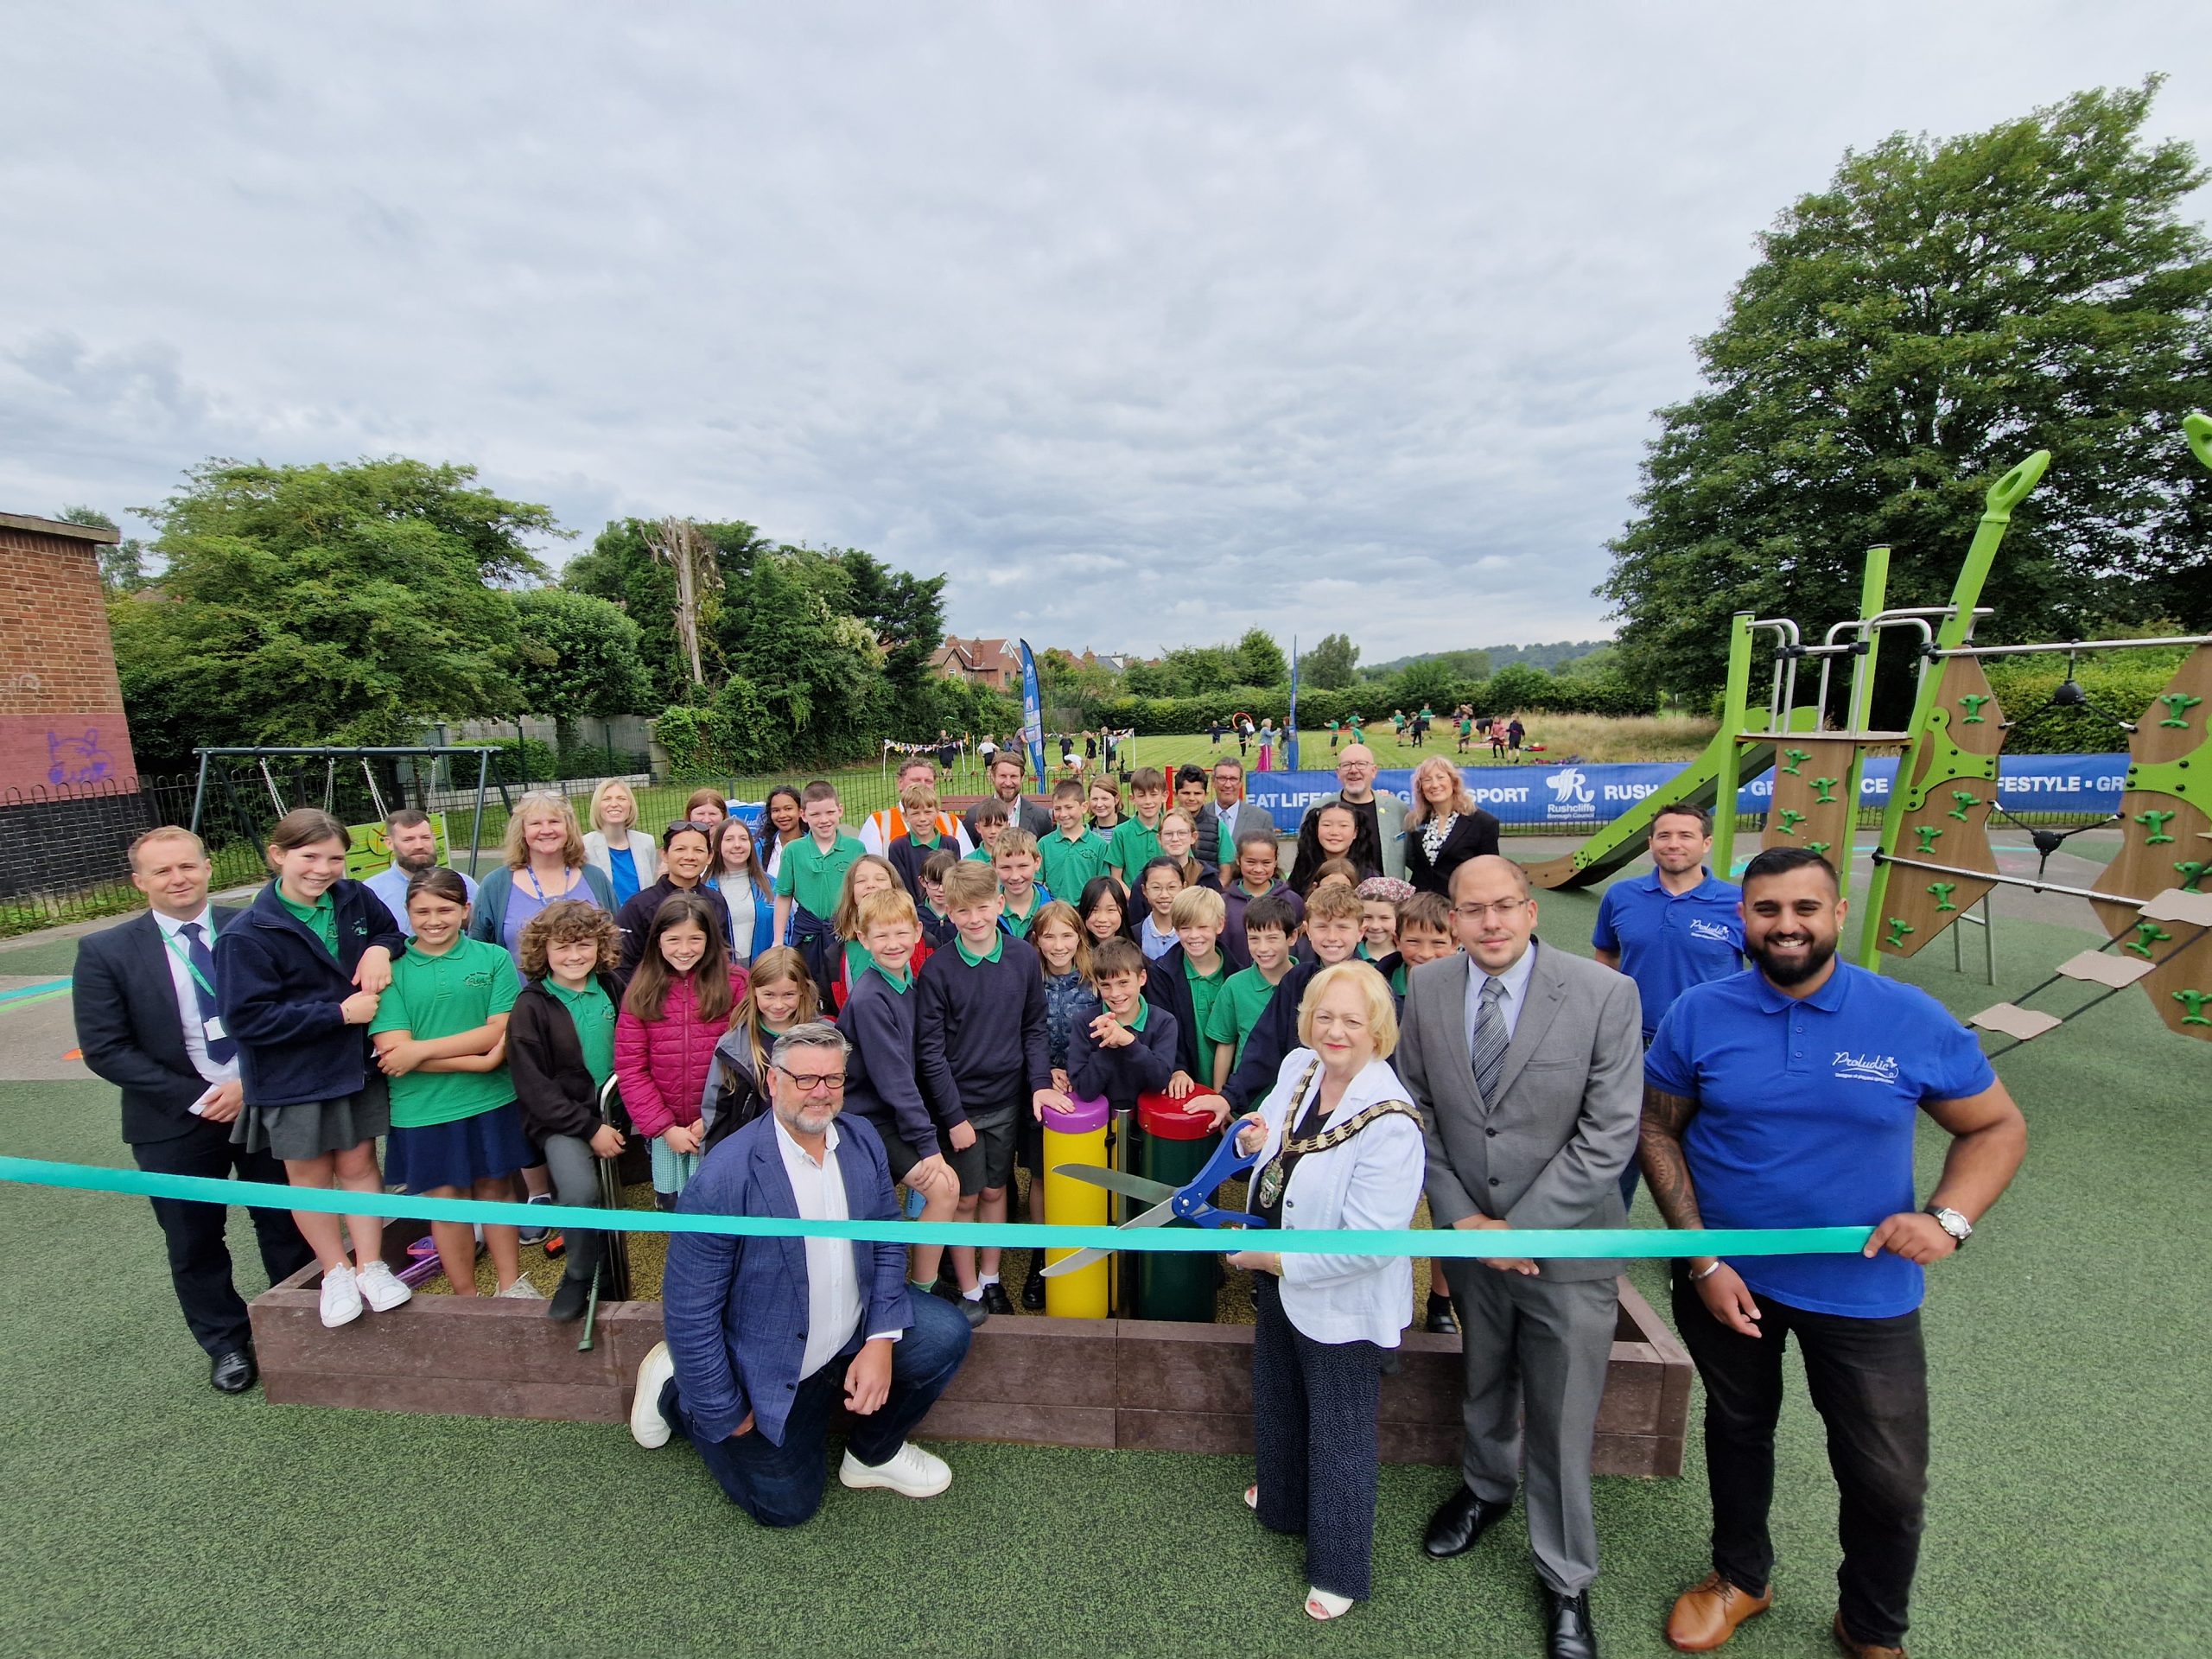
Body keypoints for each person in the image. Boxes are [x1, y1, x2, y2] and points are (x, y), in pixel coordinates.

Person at [1639, 848, 2026, 1659]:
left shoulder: (1908, 1016)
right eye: (1767, 909)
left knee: (1888, 1476)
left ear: (1838, 915)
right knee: (1739, 1430)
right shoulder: (1699, 1013)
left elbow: (1995, 1126)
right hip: (1726, 1280)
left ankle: (1872, 1625)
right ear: (1742, 918)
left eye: (1805, 909)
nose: (1786, 926)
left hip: (1864, 1290)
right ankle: (1740, 1578)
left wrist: (1949, 1219)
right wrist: (1702, 1260)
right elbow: (1656, 1129)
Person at [1395, 855, 1642, 1659]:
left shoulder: (1605, 994)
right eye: (1474, 910)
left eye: (1505, 906)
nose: (1491, 922)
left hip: (1563, 1251)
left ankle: (1566, 1577)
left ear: (1532, 912)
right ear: (1454, 920)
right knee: (1485, 1373)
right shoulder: (1429, 988)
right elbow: (1416, 1110)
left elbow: (1609, 1133)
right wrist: (1463, 1217)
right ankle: (1485, 1487)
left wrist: (1522, 1230)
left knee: (1563, 1415)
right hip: (1471, 1239)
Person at [630, 1022, 974, 1525]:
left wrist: (880, 1340)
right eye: (805, 1079)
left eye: (833, 1079)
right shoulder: (723, 1176)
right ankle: (675, 1393)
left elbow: (885, 1239)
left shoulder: (861, 1139)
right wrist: (724, 1410)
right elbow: (689, 1310)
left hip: (849, 1334)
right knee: (786, 1508)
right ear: (773, 1081)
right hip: (770, 1360)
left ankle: (872, 1455)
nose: (821, 1092)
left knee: (945, 1334)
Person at [72, 826, 314, 1391]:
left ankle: (298, 1327)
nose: (178, 878)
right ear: (140, 882)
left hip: (264, 1103)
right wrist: (201, 1097)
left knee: (288, 1223)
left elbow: (296, 1008)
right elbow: (106, 1048)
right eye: (162, 871)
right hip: (172, 1120)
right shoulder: (106, 951)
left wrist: (247, 1084)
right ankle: (227, 1343)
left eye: (187, 866)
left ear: (207, 868)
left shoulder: (258, 925)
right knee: (193, 1239)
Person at [1224, 962, 1427, 1621]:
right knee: (1279, 1391)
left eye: (1351, 1021)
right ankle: (1282, 1501)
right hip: (1279, 1277)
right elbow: (1271, 1132)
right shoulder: (1299, 1066)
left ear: (1378, 1030)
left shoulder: (1392, 1123)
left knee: (1341, 1432)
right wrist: (1253, 1139)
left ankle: (1339, 1569)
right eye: (1324, 1016)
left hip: (1341, 1303)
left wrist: (1275, 1261)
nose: (1335, 1031)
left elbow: (1369, 1246)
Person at [214, 807, 412, 1331]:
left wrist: (379, 948)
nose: (323, 869)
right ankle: (335, 1270)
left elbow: (391, 933)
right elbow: (247, 1019)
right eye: (310, 857)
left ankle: (370, 1265)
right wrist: (338, 1015)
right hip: (292, 1076)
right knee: (309, 1175)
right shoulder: (246, 934)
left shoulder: (354, 898)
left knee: (359, 1163)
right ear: (277, 855)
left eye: (335, 859)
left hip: (353, 1067)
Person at [369, 868, 535, 1300]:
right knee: (446, 1201)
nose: (433, 920)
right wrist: (477, 1061)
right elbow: (393, 1053)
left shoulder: (492, 958)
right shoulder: (390, 969)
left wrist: (421, 1052)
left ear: (465, 911)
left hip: (491, 1098)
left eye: (444, 909)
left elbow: (496, 1031)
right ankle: (466, 1299)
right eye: (422, 911)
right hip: (422, 1109)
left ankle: (511, 1286)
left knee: (497, 1189)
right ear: (407, 913)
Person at [915, 861, 1066, 1321]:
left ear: (1000, 904)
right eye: (963, 910)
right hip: (959, 1107)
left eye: (983, 907)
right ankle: (969, 1289)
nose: (974, 918)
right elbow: (930, 1053)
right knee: (963, 1198)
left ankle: (991, 1279)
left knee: (995, 1191)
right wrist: (953, 1118)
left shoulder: (1022, 958)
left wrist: (1039, 1085)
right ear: (949, 911)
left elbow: (1034, 1028)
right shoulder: (938, 970)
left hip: (1006, 1101)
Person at [1591, 802, 1744, 1205]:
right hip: (1633, 1045)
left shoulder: (1737, 904)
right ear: (1651, 843)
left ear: (1706, 843)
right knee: (1620, 1149)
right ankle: (1609, 1238)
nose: (1674, 844)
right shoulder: (1621, 896)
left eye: (1686, 835)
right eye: (1664, 835)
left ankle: (1699, 1244)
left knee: (1705, 1153)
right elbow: (1606, 957)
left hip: (1707, 1047)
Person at [836, 887, 967, 1300]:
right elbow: (894, 1080)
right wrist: (928, 1146)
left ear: (917, 933)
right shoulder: (871, 998)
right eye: (881, 936)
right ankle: (923, 1292)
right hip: (868, 1120)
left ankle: (923, 1282)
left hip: (894, 1114)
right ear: (863, 939)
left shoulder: (909, 984)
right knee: (943, 1189)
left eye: (900, 933)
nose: (892, 944)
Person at [508, 899, 629, 1322]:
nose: (574, 956)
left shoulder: (612, 986)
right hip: (564, 1120)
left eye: (584, 945)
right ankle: (579, 1273)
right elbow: (534, 1086)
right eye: (562, 947)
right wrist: (589, 1128)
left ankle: (611, 1271)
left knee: (621, 1193)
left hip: (614, 1108)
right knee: (579, 1192)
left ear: (600, 946)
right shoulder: (531, 1006)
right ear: (543, 951)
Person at [616, 893, 750, 1209]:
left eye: (695, 939)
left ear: (710, 939)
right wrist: (664, 1128)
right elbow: (631, 1066)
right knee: (676, 1206)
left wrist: (713, 1117)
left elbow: (746, 1058)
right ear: (658, 941)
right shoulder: (641, 988)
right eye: (673, 939)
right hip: (668, 1130)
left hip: (722, 1123)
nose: (684, 949)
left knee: (725, 1203)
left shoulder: (736, 983)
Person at [1220, 882, 1376, 1112]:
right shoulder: (1296, 980)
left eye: (1342, 927)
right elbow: (1265, 1046)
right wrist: (1229, 1097)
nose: (1332, 937)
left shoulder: (1374, 988)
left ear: (1361, 931)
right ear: (1307, 930)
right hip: (1297, 1104)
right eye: (1322, 927)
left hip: (1353, 1104)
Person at [470, 791, 615, 963]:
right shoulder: (496, 885)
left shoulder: (595, 878)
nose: (546, 830)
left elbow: (614, 939)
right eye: (535, 823)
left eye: (554, 821)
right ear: (522, 830)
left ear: (568, 827)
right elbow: (478, 950)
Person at [705, 946, 820, 1153]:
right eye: (769, 995)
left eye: (788, 994)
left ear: (802, 990)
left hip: (812, 1144)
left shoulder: (825, 1039)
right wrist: (713, 1159)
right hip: (754, 1148)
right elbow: (717, 1110)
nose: (778, 1005)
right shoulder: (734, 1045)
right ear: (754, 991)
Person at [1069, 937, 1181, 1114]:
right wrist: (1109, 1047)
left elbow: (1159, 1081)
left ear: (1142, 978)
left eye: (1123, 983)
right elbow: (1085, 1090)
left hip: (1148, 1123)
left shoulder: (1164, 1022)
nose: (1115, 993)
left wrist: (1130, 1043)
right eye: (1105, 985)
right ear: (1097, 984)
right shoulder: (1084, 1022)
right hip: (1100, 1124)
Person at [773, 782, 865, 994]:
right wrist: (778, 940)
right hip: (808, 932)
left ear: (840, 810)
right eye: (815, 814)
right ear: (803, 815)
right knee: (807, 986)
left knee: (844, 986)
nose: (824, 820)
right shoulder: (793, 851)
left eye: (830, 812)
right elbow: (784, 896)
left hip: (844, 929)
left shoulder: (855, 848)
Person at [1140, 885, 1230, 1098]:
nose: (1194, 936)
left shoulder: (1236, 975)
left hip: (1230, 1089)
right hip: (1184, 1087)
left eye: (1202, 927)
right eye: (1185, 928)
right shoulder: (1162, 974)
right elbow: (1161, 1030)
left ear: (1220, 925)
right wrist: (1177, 1068)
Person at [1203, 890, 1300, 1090]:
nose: (1262, 948)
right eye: (1254, 939)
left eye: (1272, 938)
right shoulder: (1235, 986)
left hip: (1294, 1095)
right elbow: (1226, 1044)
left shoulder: (1310, 983)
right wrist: (1220, 1094)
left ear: (1292, 937)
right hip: (1247, 1096)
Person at [614, 821, 734, 974]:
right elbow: (622, 966)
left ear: (710, 856)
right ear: (664, 854)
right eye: (680, 849)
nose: (689, 857)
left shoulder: (716, 901)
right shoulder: (639, 906)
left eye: (698, 850)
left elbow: (723, 955)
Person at [364, 809, 479, 938]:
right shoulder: (371, 891)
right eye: (408, 840)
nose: (419, 845)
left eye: (425, 838)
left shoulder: (465, 884)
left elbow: (481, 931)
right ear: (389, 843)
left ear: (434, 839)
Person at [1301, 746, 1408, 881]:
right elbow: (1304, 858)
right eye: (1346, 765)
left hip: (1385, 894)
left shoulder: (1397, 809)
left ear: (1374, 771)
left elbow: (1414, 858)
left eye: (1361, 764)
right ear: (1338, 773)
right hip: (1329, 892)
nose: (1353, 770)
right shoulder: (1318, 809)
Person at [1402, 756, 1501, 898]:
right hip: (1421, 904)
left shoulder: (1483, 822)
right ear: (1421, 788)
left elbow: (1490, 871)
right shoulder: (1415, 821)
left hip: (1460, 902)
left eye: (1440, 777)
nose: (1434, 785)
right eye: (1427, 780)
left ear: (1453, 782)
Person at [1220, 829, 1302, 970]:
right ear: (1238, 860)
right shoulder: (1223, 903)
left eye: (1266, 863)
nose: (1258, 869)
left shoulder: (1292, 900)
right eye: (1251, 862)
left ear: (1275, 862)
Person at [861, 758, 973, 860]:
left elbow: (968, 865)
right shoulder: (877, 822)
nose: (922, 785)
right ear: (900, 783)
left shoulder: (952, 823)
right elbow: (868, 867)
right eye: (916, 780)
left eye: (928, 781)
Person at [709, 816, 778, 967]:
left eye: (743, 839)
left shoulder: (771, 885)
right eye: (729, 839)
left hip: (765, 969)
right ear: (718, 845)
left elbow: (786, 928)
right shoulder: (705, 888)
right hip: (720, 970)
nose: (737, 845)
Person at [885, 776, 967, 900]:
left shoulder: (951, 844)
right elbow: (900, 887)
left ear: (937, 812)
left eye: (928, 812)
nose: (922, 819)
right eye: (915, 813)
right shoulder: (898, 847)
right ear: (905, 815)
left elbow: (955, 881)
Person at [582, 780, 659, 909]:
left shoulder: (646, 842)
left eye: (621, 798)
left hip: (640, 917)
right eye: (606, 799)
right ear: (597, 806)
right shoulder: (584, 846)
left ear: (630, 805)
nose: (614, 804)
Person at [1039, 779, 1112, 903]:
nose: (1063, 814)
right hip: (1055, 909)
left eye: (1069, 807)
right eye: (1057, 809)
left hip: (1088, 908)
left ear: (1084, 807)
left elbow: (1104, 884)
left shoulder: (1099, 845)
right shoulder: (1044, 845)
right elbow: (1037, 883)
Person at [1289, 803, 1376, 896]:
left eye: (1343, 826)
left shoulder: (1369, 879)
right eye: (1327, 825)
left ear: (1355, 832)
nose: (1334, 832)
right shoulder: (1303, 872)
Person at [966, 751, 1053, 843]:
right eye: (1003, 776)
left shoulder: (1041, 817)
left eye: (1013, 776)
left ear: (1022, 778)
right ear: (993, 776)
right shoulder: (974, 815)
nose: (1008, 783)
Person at [1106, 766, 1168, 884]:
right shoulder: (1121, 833)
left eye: (1153, 794)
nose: (1148, 801)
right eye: (1141, 795)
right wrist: (1134, 895)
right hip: (1131, 895)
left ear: (1164, 796)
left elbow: (1185, 869)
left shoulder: (1172, 830)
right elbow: (1116, 877)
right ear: (1132, 798)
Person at [1201, 758, 1260, 882]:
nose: (1228, 785)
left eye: (1233, 779)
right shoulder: (1199, 815)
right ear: (1213, 782)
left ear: (1240, 783)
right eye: (1222, 778)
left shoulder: (1260, 818)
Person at [993, 828, 1052, 941]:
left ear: (1037, 862)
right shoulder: (985, 914)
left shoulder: (1053, 911)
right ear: (994, 866)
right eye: (1006, 867)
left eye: (1023, 866)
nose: (1015, 876)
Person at [1133, 855, 1186, 963]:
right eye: (1156, 888)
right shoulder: (1135, 935)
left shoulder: (1192, 933)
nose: (1164, 895)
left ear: (1183, 887)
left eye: (1172, 887)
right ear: (1144, 890)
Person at [1355, 875, 1411, 961]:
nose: (1375, 926)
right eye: (1367, 917)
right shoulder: (1350, 954)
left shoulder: (1407, 958)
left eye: (1384, 918)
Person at [757, 785, 804, 883]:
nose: (782, 815)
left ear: (800, 812)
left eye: (788, 809)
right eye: (776, 810)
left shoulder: (813, 846)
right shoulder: (760, 849)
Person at [1077, 874, 1133, 949]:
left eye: (1111, 910)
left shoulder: (1133, 949)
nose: (1102, 919)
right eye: (1094, 910)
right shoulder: (1074, 950)